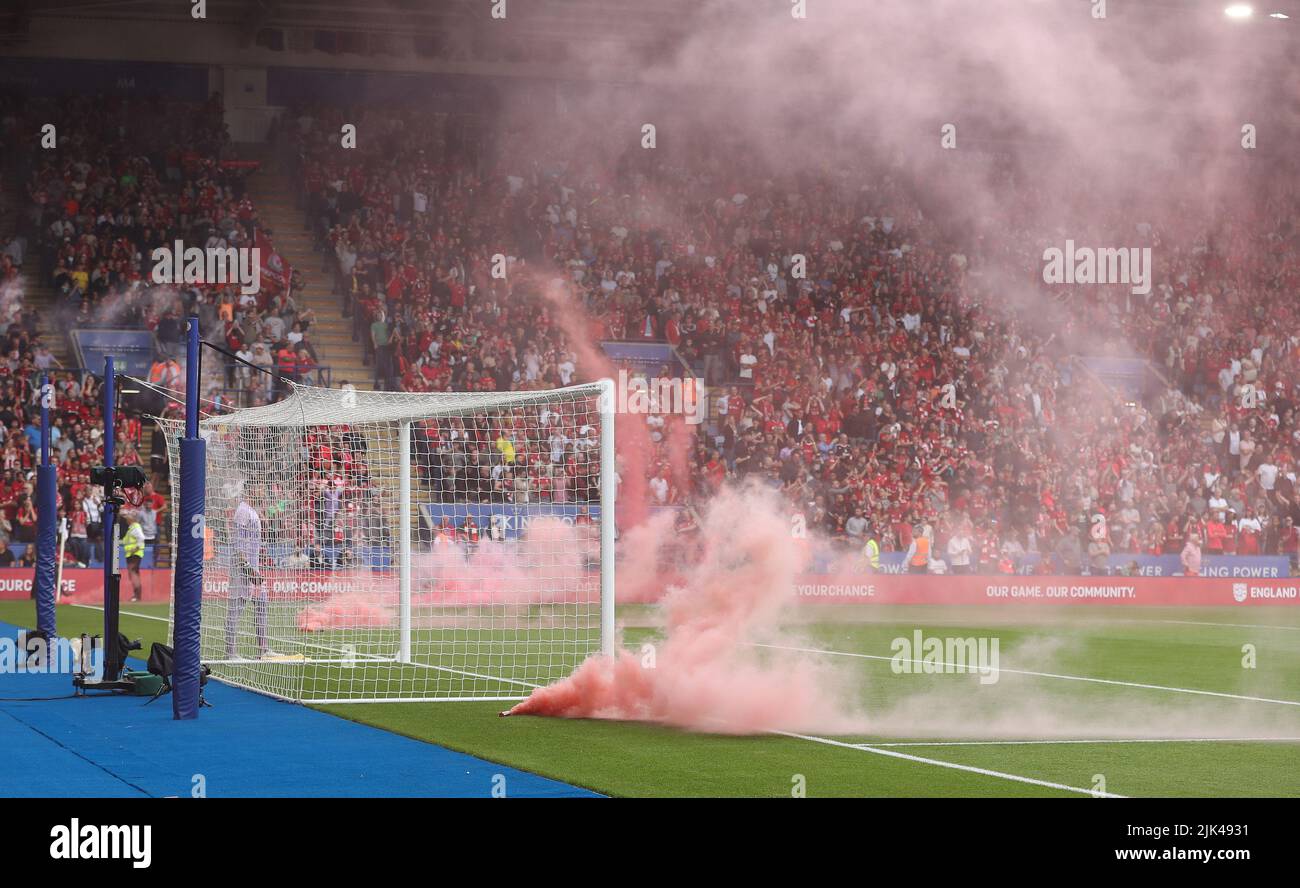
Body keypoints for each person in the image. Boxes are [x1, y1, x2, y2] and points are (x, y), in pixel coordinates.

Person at [225, 487, 272, 658]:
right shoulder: (243, 511)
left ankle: (264, 650)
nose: (263, 492)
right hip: (242, 570)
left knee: (262, 605)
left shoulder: (252, 511)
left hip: (253, 569)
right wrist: (248, 568)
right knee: (235, 610)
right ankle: (230, 653)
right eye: (260, 489)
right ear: (251, 491)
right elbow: (238, 544)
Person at [121, 510, 146, 602]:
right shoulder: (131, 528)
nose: (126, 519)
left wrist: (136, 548)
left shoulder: (135, 527)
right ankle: (136, 595)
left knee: (133, 573)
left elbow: (141, 538)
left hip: (134, 554)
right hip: (131, 554)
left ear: (132, 519)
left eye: (128, 517)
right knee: (133, 574)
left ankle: (137, 595)